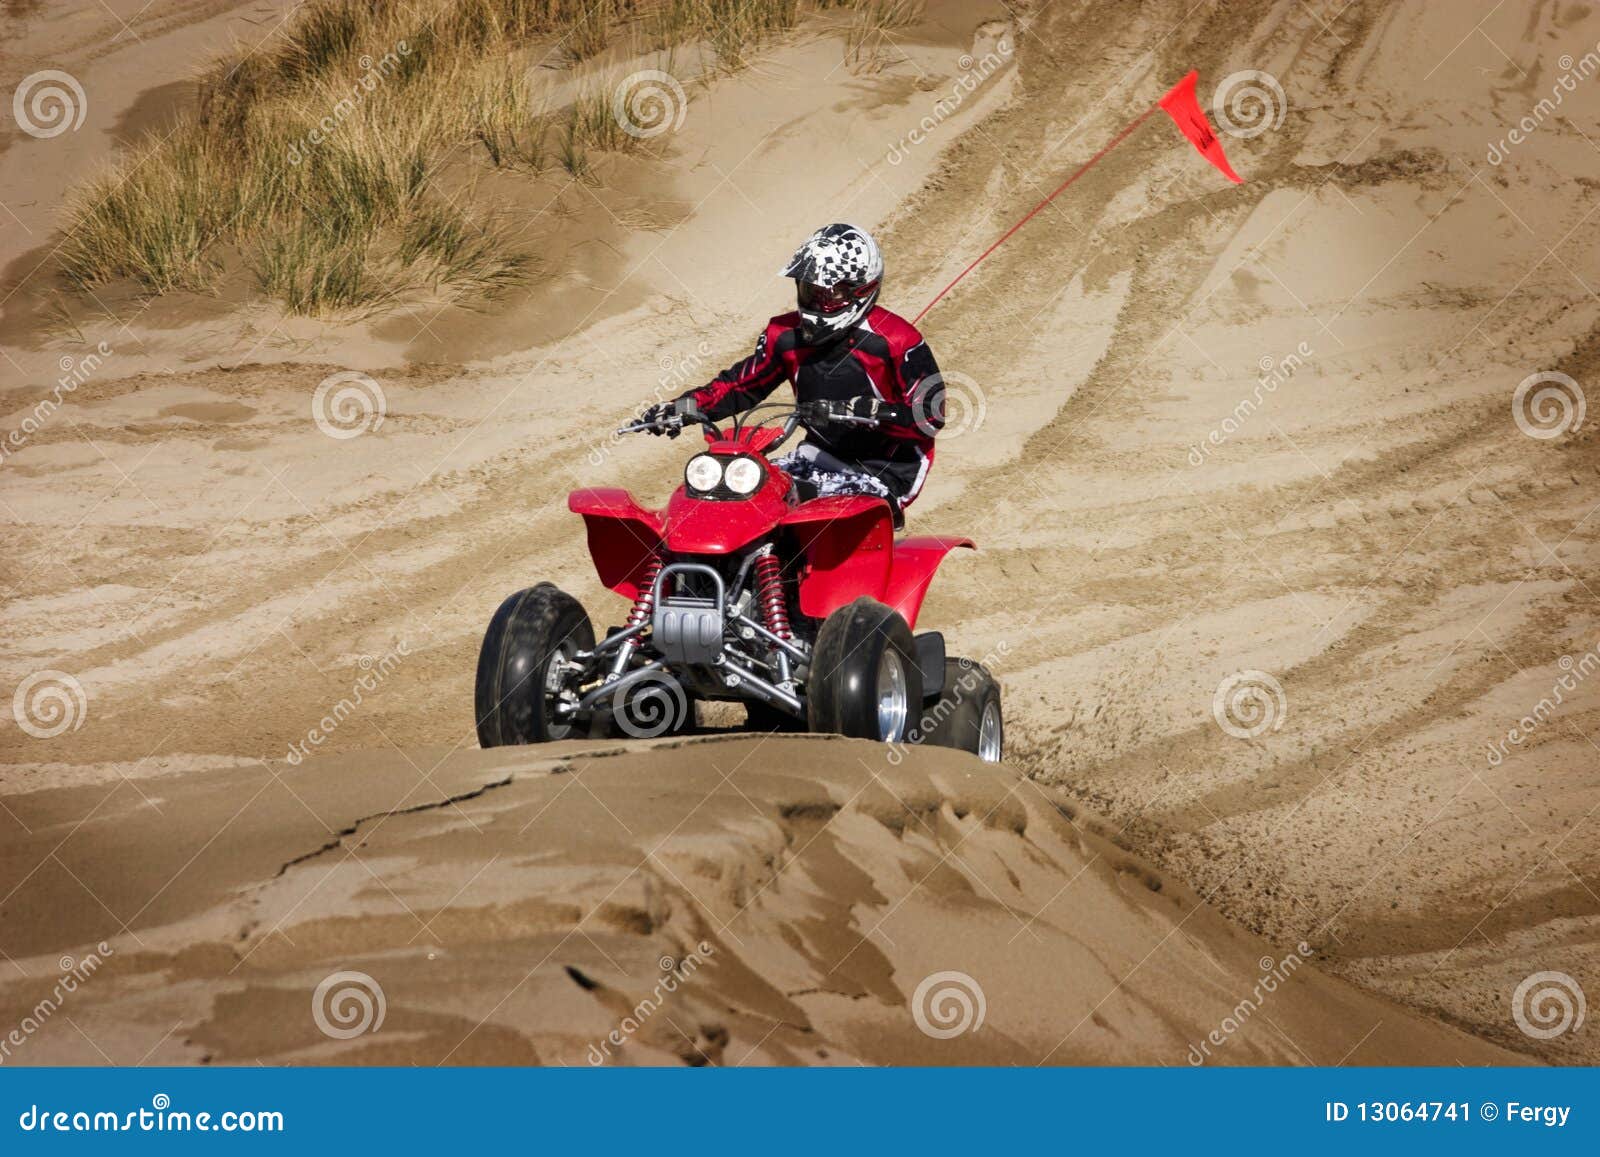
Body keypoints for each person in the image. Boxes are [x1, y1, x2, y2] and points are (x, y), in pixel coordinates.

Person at [640, 223, 945, 511]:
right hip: (816, 456)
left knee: (816, 518)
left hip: (885, 470)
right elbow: (740, 386)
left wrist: (870, 412)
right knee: (736, 495)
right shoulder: (785, 337)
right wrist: (682, 407)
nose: (817, 302)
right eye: (810, 289)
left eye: (831, 292)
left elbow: (932, 413)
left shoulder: (896, 340)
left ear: (862, 290)